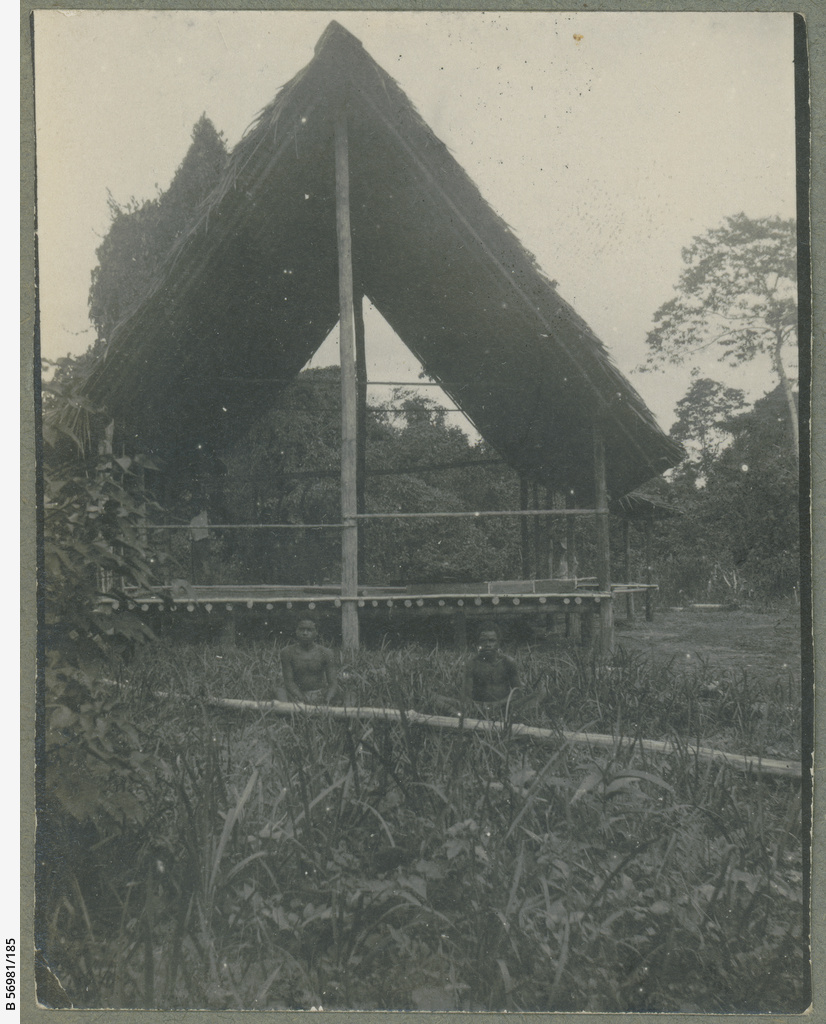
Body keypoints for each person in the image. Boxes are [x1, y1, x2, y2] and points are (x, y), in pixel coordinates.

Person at [278, 617, 339, 704]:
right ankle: (288, 711)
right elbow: (289, 682)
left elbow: (333, 683)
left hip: (320, 693)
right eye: (301, 629)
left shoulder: (326, 653)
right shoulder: (287, 652)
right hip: (297, 694)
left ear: (316, 632)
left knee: (350, 693)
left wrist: (327, 700)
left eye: (309, 630)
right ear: (296, 631)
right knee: (279, 691)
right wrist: (301, 698)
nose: (305, 633)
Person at [463, 624, 521, 713]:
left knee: (541, 693)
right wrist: (474, 707)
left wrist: (498, 704)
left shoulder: (508, 662)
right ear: (478, 643)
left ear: (498, 643)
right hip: (479, 707)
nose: (487, 645)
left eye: (492, 641)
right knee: (435, 698)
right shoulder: (472, 664)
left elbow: (517, 692)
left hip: (504, 707)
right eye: (483, 641)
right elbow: (467, 695)